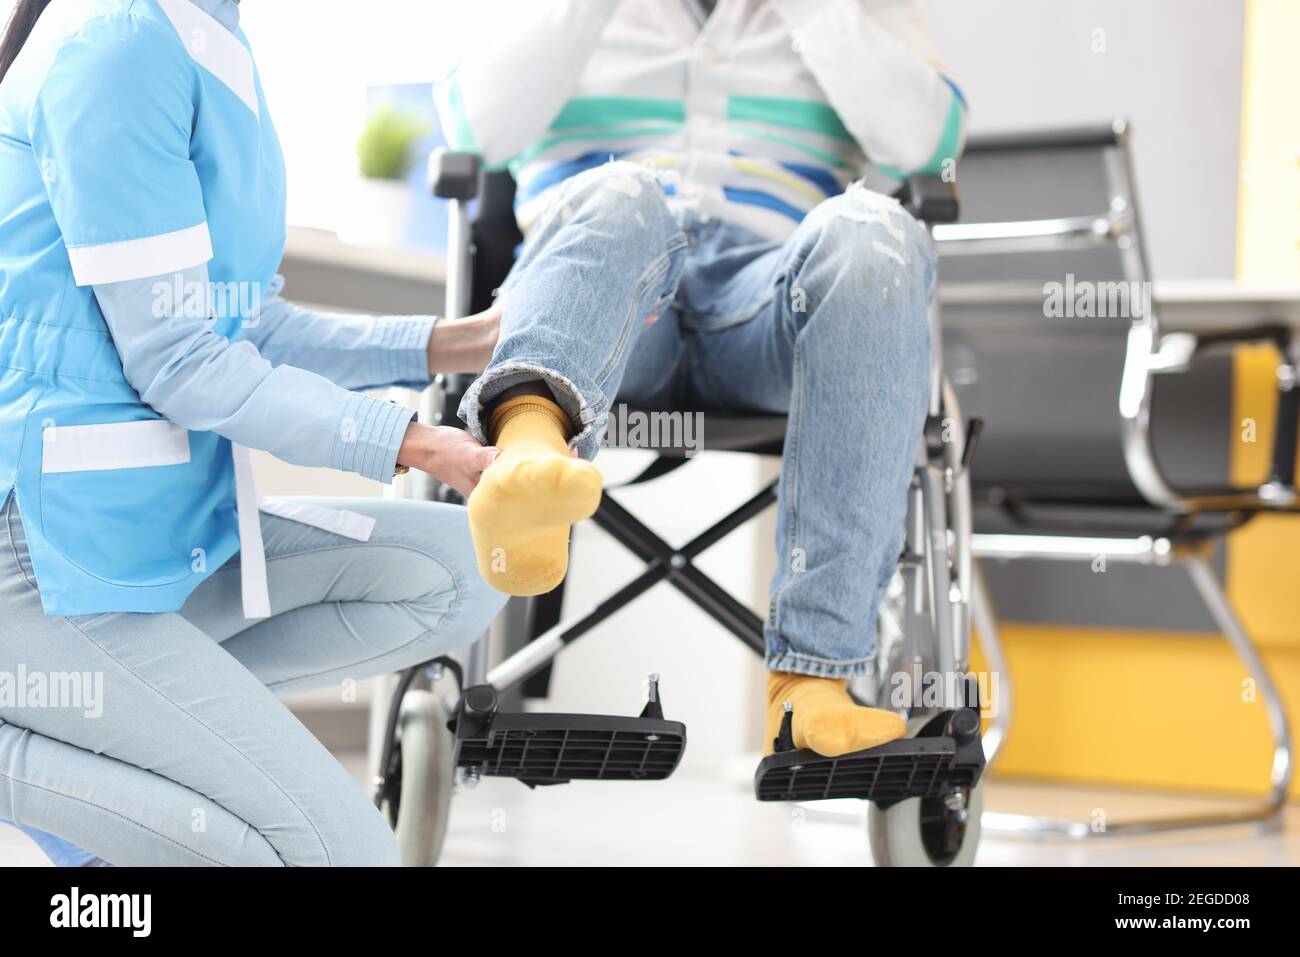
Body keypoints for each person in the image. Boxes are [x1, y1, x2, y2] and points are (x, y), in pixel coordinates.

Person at [0, 0, 503, 865]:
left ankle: (125, 732)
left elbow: (243, 323)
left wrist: (444, 341)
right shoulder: (116, 47)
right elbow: (181, 359)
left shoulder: (217, 38)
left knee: (467, 566)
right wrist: (419, 443)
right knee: (332, 853)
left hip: (158, 539)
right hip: (46, 558)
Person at [437, 0, 966, 758]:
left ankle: (813, 680)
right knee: (623, 194)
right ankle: (527, 449)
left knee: (875, 233)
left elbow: (928, 144)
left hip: (772, 306)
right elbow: (471, 127)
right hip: (607, 304)